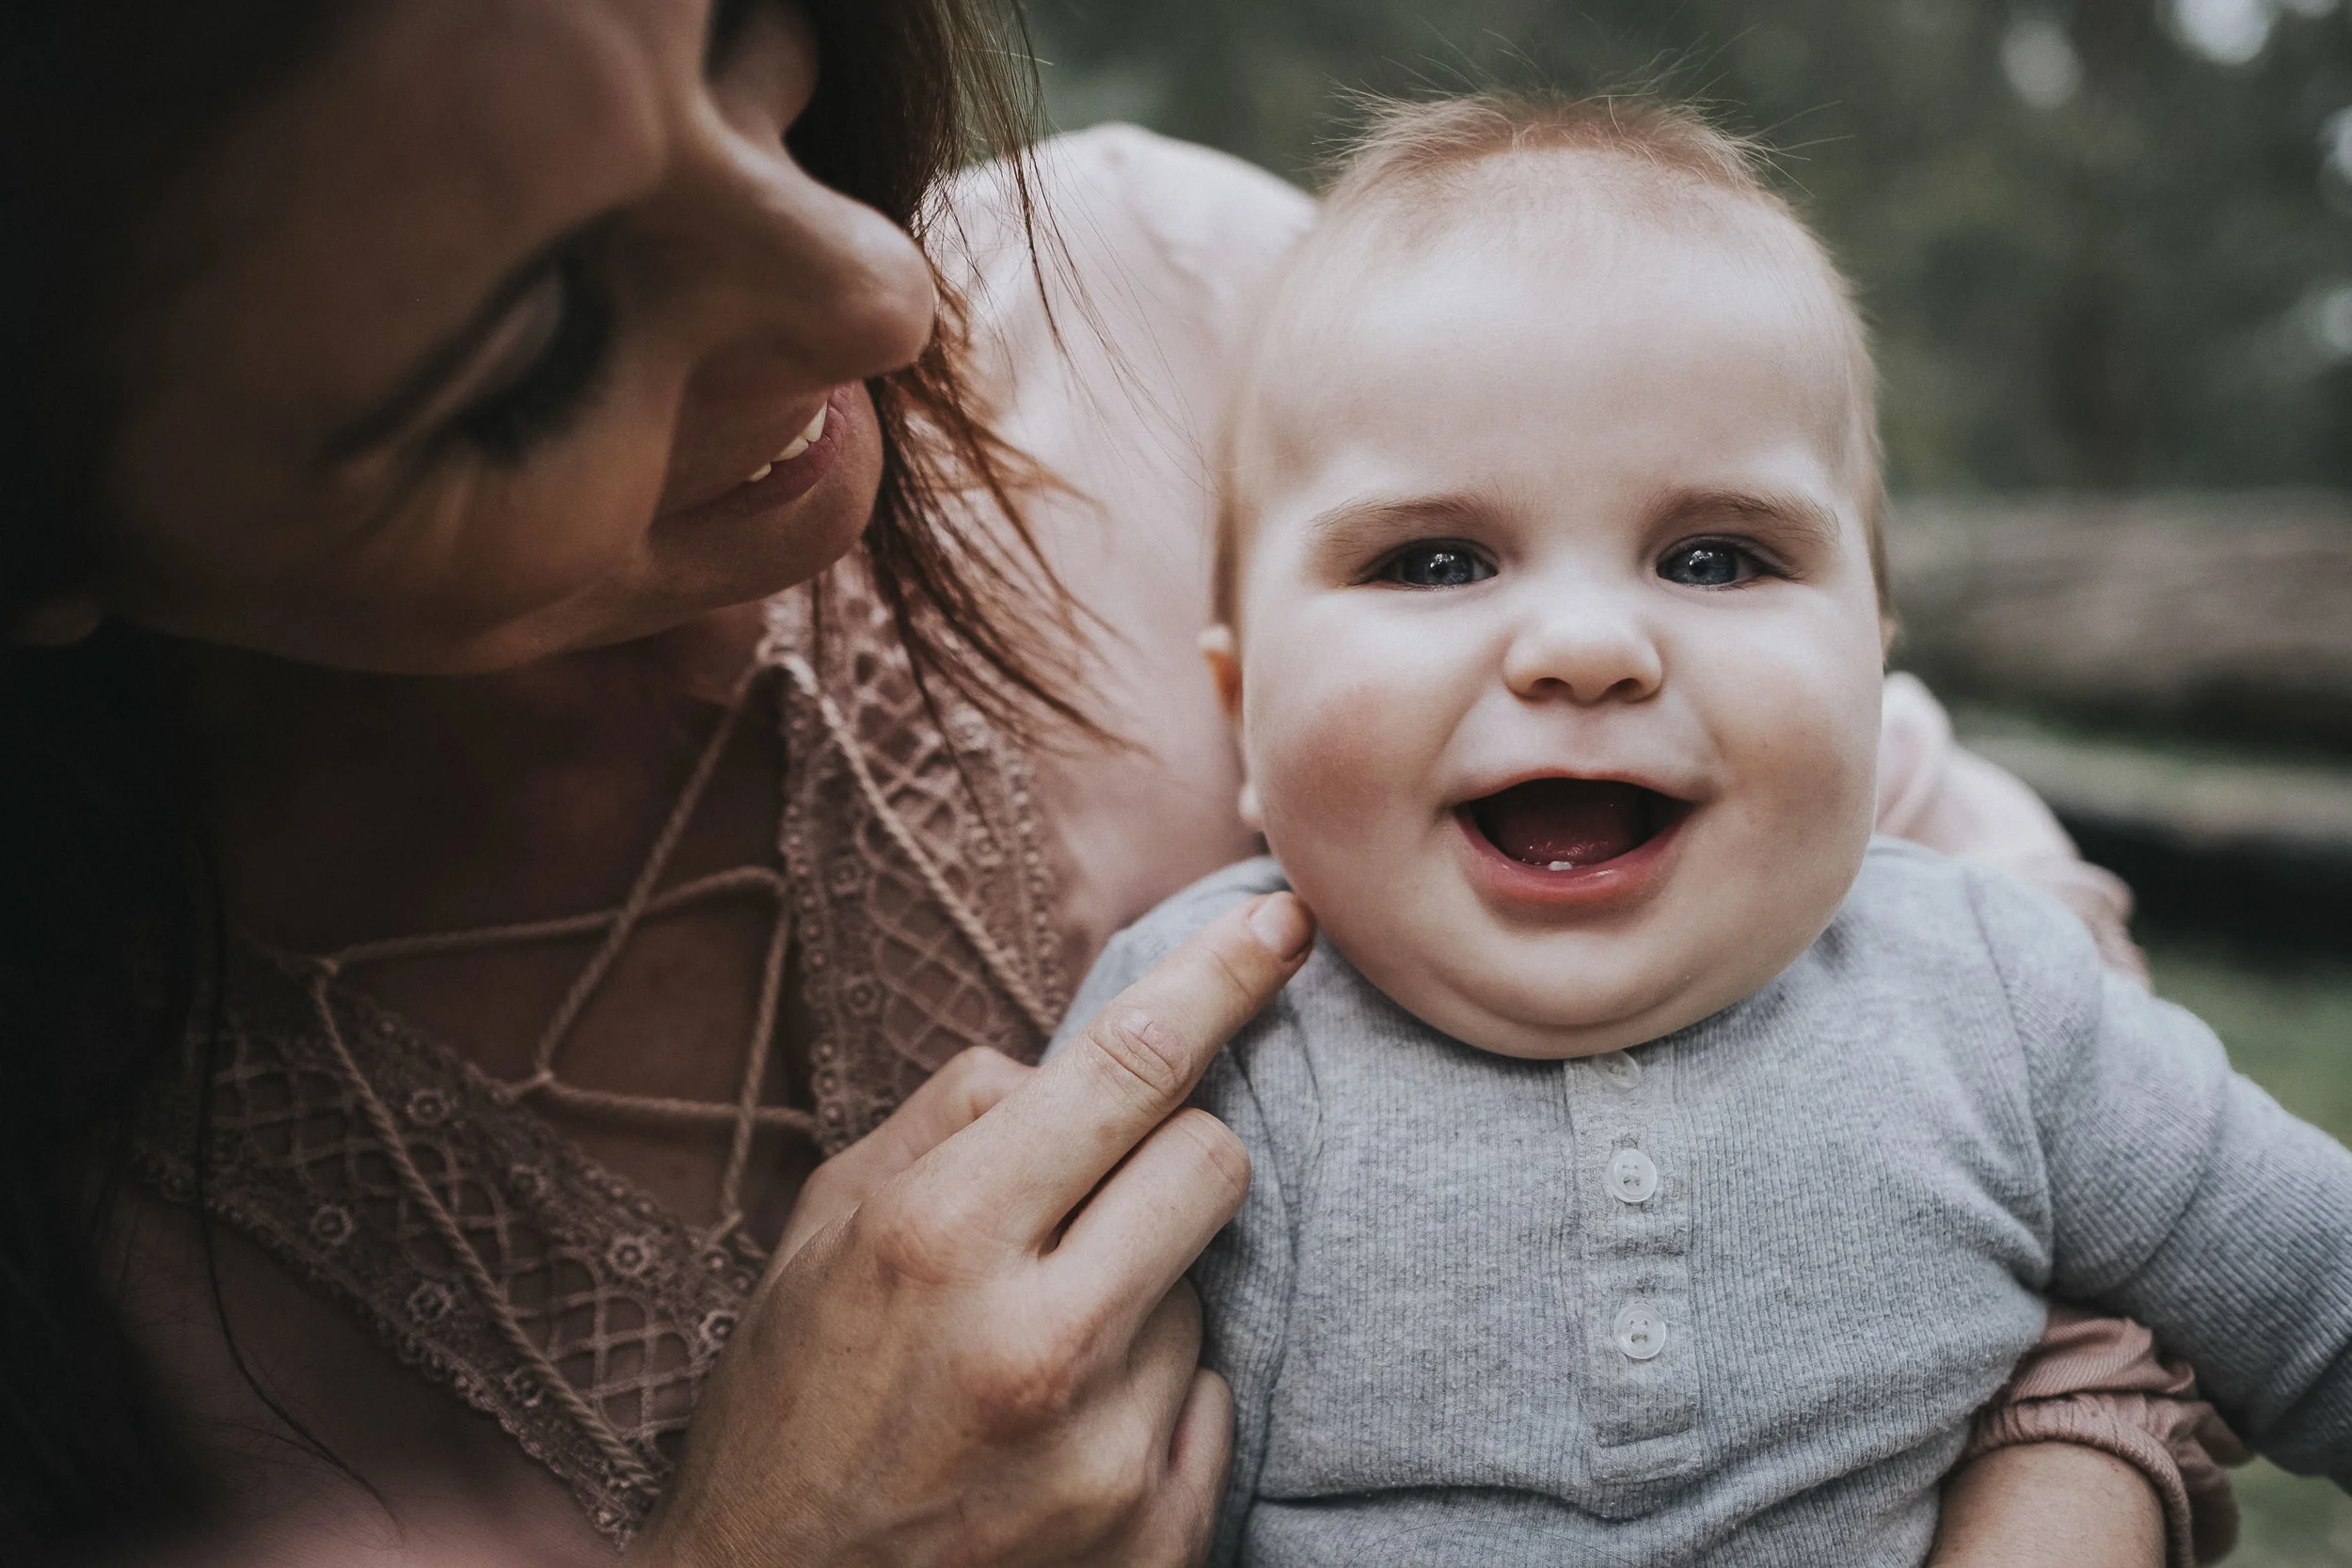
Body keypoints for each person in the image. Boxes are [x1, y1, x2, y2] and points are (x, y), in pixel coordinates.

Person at [0, 3, 2225, 1564]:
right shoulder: (101, 1296)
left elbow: (2037, 1048)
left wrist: (2063, 1489)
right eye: (533, 348)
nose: (878, 288)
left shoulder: (1168, 318)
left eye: (737, 43)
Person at [1048, 92, 2352, 1566]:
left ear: (1872, 660)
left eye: (1716, 557)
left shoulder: (1999, 995)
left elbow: (2321, 1301)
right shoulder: (1185, 1043)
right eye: (1436, 560)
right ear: (1244, 714)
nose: (1587, 646)